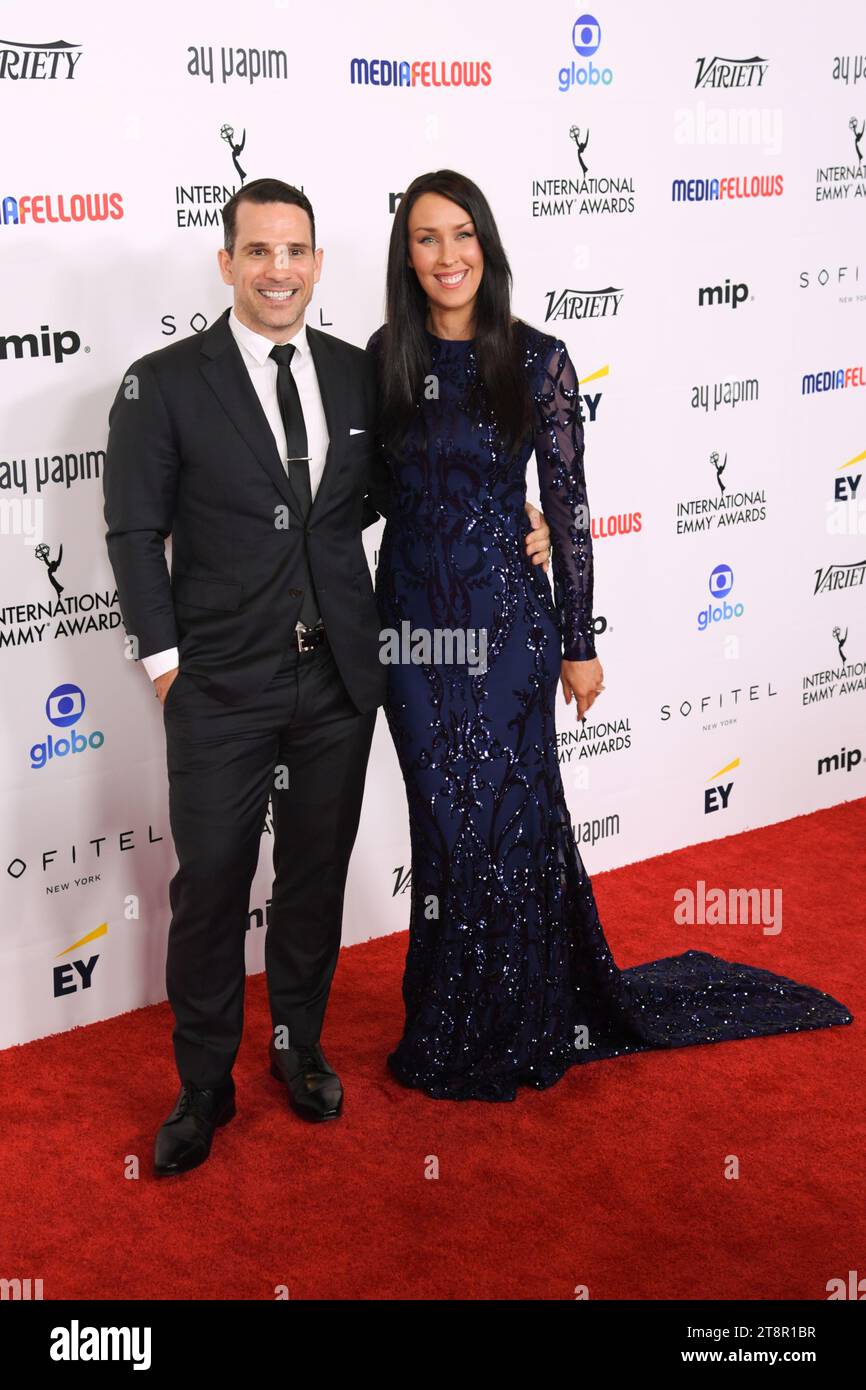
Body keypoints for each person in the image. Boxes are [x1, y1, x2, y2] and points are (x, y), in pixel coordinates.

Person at [366, 168, 854, 1102]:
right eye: (426, 239)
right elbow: (380, 494)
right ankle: (448, 1012)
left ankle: (518, 1015)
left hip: (510, 627)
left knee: (508, 822)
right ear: (406, 256)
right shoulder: (385, 356)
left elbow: (571, 511)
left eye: (462, 234)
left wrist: (578, 641)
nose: (447, 256)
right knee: (443, 826)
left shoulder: (539, 358)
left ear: (488, 245)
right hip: (413, 634)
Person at [102, 177, 551, 1171]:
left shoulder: (362, 374)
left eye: (295, 251)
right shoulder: (164, 382)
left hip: (340, 684)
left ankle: (296, 1048)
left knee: (312, 882)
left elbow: (414, 489)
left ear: (316, 262)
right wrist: (169, 666)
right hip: (217, 687)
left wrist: (514, 515)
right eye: (257, 252)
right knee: (213, 886)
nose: (278, 270)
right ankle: (203, 1084)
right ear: (226, 264)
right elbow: (134, 531)